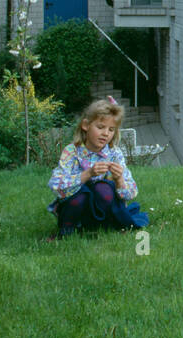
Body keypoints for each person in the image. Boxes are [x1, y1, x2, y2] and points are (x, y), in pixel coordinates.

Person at [47, 97, 147, 236]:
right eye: (100, 127)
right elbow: (55, 186)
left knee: (103, 188)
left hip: (104, 210)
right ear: (86, 125)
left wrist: (119, 181)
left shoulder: (114, 154)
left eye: (111, 129)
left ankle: (108, 225)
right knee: (80, 195)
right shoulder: (72, 151)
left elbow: (131, 193)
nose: (106, 133)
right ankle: (67, 231)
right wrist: (87, 174)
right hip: (76, 211)